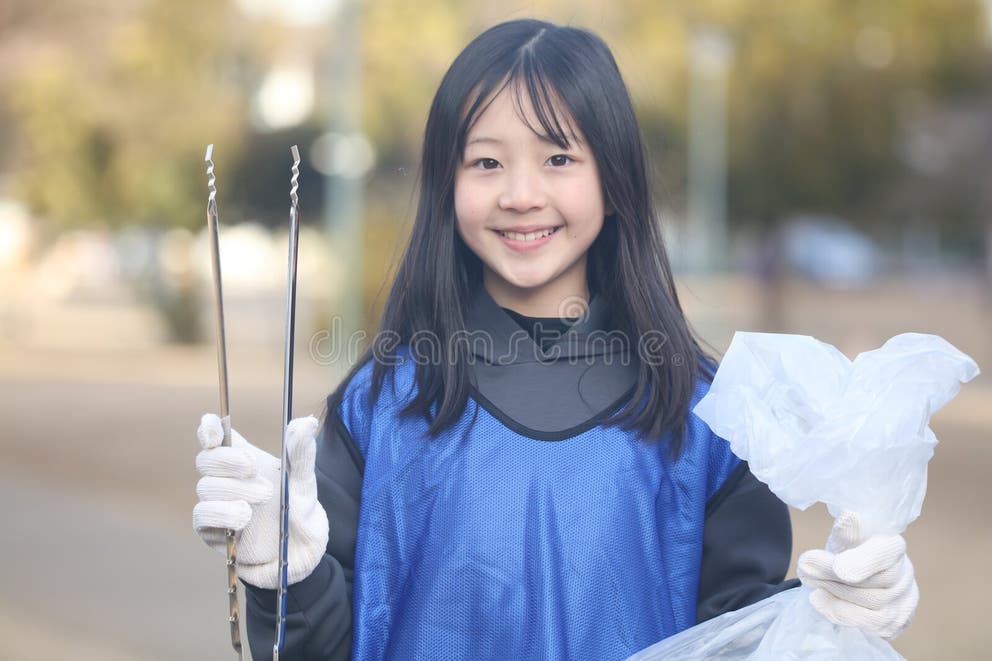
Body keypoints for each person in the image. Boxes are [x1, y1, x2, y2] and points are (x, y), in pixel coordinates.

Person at [192, 19, 919, 660]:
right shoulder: (380, 404)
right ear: (447, 184)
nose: (520, 193)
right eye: (486, 161)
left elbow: (736, 639)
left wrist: (824, 614)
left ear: (614, 177)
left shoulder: (709, 419)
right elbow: (316, 648)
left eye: (558, 158)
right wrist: (287, 576)